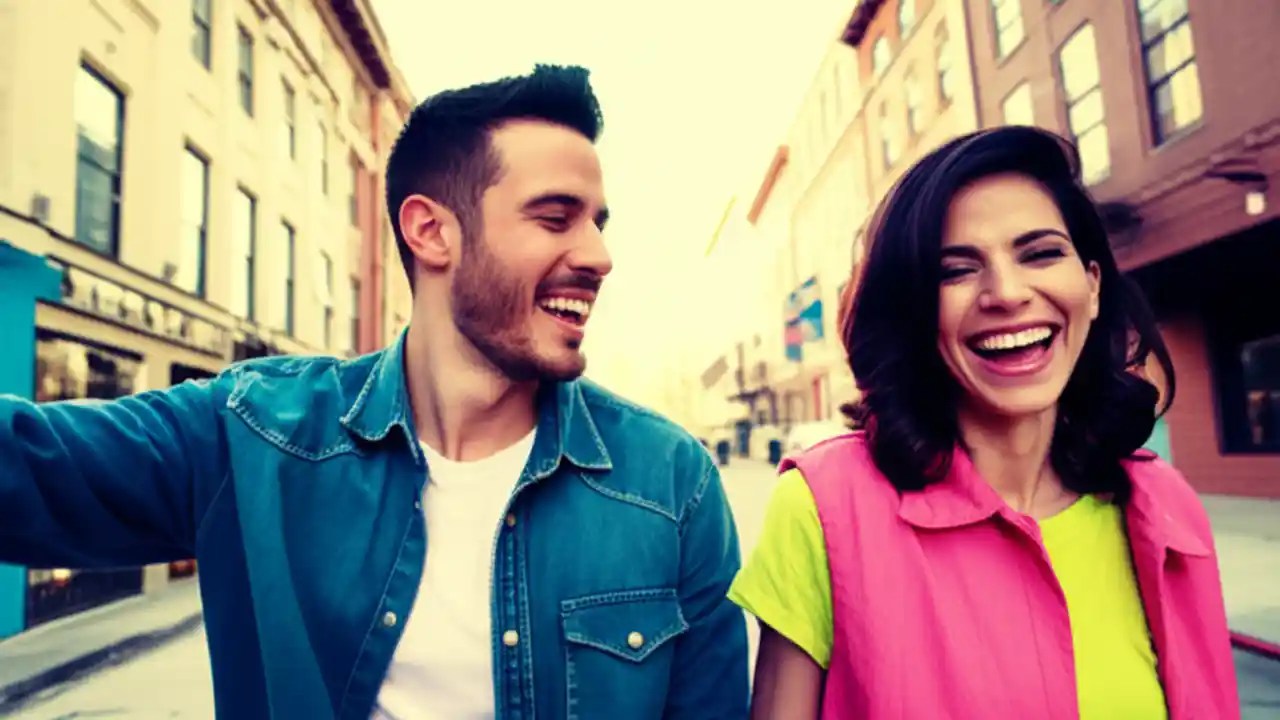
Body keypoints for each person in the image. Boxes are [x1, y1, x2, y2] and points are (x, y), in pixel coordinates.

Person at [0, 65, 749, 719]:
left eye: (598, 223)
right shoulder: (253, 435)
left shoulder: (670, 482)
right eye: (555, 218)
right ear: (430, 232)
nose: (598, 256)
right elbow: (26, 469)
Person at [729, 127, 1239, 719]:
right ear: (914, 310)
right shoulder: (824, 507)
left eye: (1041, 253)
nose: (1007, 292)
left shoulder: (1166, 502)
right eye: (956, 270)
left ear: (1092, 286)